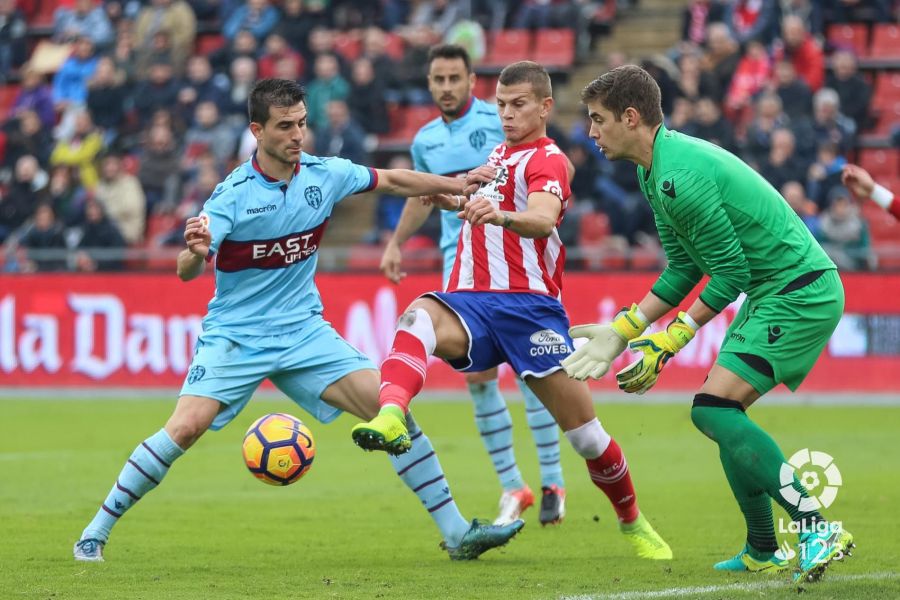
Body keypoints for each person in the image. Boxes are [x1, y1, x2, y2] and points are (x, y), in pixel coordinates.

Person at [72, 78, 524, 563]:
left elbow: (392, 179)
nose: (298, 135)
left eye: (302, 123)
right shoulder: (232, 197)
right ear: (257, 130)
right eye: (285, 126)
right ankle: (94, 534)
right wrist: (194, 251)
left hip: (303, 331)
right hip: (236, 337)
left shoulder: (323, 175)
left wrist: (456, 185)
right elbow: (187, 270)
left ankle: (457, 534)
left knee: (391, 411)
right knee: (184, 429)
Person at [352, 61, 672, 560]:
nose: (506, 113)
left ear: (545, 106)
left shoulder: (550, 160)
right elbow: (477, 200)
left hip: (530, 311)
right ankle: (392, 415)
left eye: (518, 104)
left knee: (588, 439)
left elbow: (543, 220)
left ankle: (632, 520)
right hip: (471, 301)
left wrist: (499, 213)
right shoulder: (497, 157)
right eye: (500, 104)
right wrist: (449, 197)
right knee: (416, 317)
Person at [564, 65, 853, 583]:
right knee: (721, 412)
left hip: (797, 291)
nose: (591, 132)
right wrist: (624, 330)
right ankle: (763, 549)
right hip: (778, 290)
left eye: (597, 119)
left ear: (631, 118)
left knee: (713, 410)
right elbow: (684, 268)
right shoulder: (654, 170)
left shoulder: (681, 176)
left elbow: (731, 274)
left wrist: (672, 338)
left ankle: (815, 526)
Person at [379, 44, 567, 527]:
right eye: (436, 79)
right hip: (460, 262)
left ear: (470, 81)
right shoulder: (424, 139)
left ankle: (552, 481)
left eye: (453, 78)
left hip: (516, 261)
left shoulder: (504, 121)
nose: (445, 87)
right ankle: (513, 484)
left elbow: (537, 182)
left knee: (534, 376)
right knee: (478, 379)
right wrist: (397, 242)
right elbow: (425, 195)